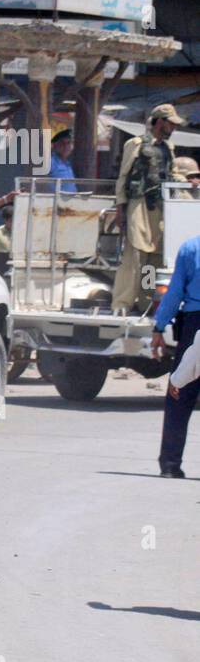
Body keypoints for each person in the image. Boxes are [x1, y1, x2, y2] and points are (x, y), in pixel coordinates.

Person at [112, 104, 191, 314]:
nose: (173, 128)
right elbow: (123, 177)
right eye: (170, 123)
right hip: (138, 205)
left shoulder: (168, 148)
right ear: (160, 121)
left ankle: (145, 300)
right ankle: (122, 302)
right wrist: (120, 208)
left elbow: (172, 173)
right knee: (134, 255)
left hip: (159, 207)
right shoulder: (135, 144)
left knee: (153, 257)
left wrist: (188, 183)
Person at [153, 233, 200, 477]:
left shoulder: (191, 248)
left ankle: (170, 465)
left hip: (194, 326)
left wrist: (159, 326)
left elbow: (174, 293)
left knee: (179, 393)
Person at [47, 127, 77, 193]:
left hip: (71, 201)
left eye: (68, 143)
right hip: (54, 201)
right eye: (62, 143)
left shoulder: (67, 164)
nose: (66, 146)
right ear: (54, 145)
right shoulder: (50, 162)